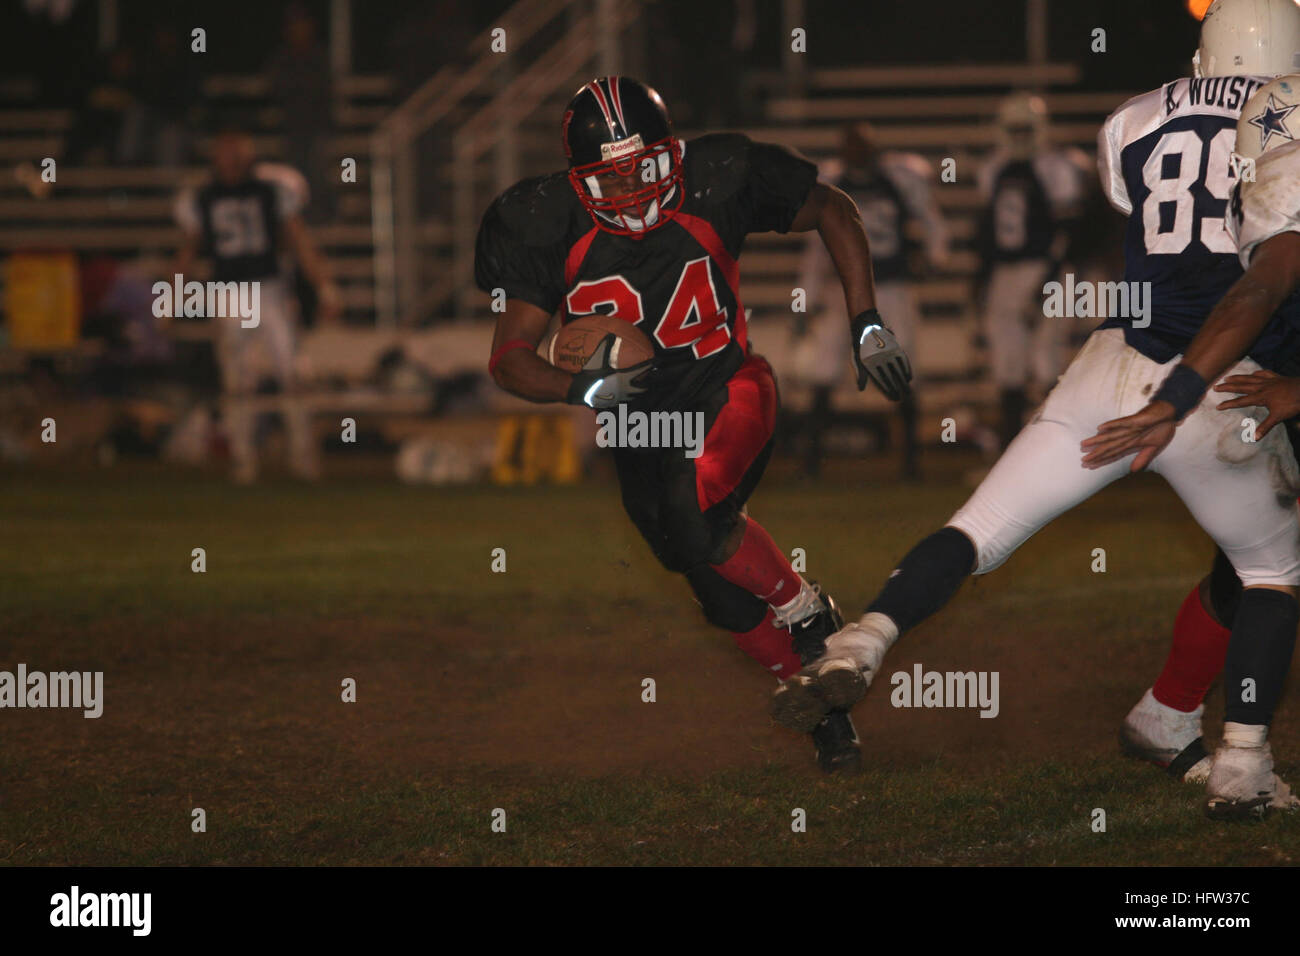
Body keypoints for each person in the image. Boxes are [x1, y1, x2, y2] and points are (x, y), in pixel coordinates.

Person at [768, 0, 1300, 817]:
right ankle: (1243, 764)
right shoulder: (1288, 121)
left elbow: (1147, 219)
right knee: (1273, 569)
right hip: (1217, 381)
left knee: (978, 529)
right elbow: (1258, 283)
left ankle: (864, 638)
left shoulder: (1132, 120)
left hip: (1112, 358)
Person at [475, 77, 911, 773]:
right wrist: (581, 387)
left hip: (730, 385)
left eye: (643, 167)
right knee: (702, 578)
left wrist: (865, 320)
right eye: (608, 178)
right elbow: (507, 359)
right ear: (575, 180)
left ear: (671, 155)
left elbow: (833, 208)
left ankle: (807, 611)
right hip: (637, 420)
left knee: (694, 502)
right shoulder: (541, 222)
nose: (632, 190)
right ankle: (823, 716)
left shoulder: (719, 177)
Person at [1082, 70, 1300, 818]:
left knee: (1265, 560)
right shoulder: (1265, 139)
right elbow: (1257, 288)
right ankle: (1198, 728)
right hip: (1263, 361)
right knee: (1262, 561)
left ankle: (1176, 715)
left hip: (1265, 361)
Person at [172, 129, 341, 483]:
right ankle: (243, 458)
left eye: (238, 152)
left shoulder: (271, 191)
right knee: (237, 379)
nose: (232, 159)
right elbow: (188, 250)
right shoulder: (202, 197)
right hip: (229, 291)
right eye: (226, 152)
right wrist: (171, 296)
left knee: (292, 373)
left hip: (269, 288)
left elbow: (299, 240)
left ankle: (302, 455)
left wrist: (324, 286)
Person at [796, 122, 948, 479]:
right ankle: (811, 461)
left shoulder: (900, 176)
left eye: (861, 146)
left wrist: (932, 260)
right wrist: (809, 294)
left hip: (890, 287)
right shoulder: (831, 182)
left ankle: (911, 460)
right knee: (825, 368)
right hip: (843, 290)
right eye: (851, 147)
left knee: (903, 365)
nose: (857, 154)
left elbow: (933, 224)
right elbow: (817, 249)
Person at [977, 92, 1092, 449]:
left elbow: (1071, 233)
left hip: (1045, 268)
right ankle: (1011, 451)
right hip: (1005, 273)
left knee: (1047, 358)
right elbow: (985, 233)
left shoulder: (1057, 166)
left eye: (1026, 129)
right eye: (1015, 129)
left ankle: (1055, 448)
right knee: (1007, 362)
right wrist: (981, 282)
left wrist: (1050, 279)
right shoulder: (993, 168)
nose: (1020, 137)